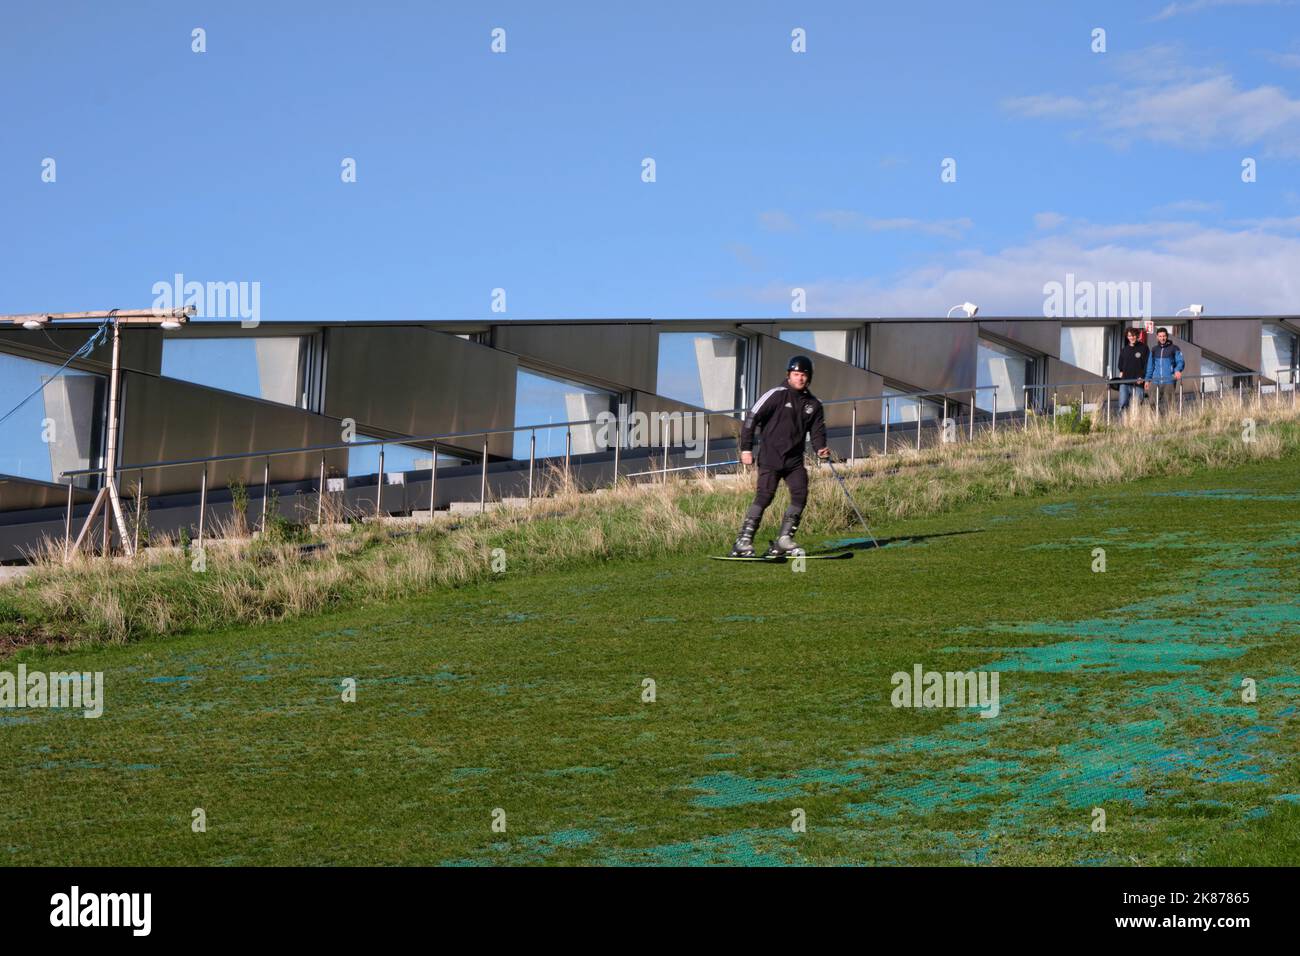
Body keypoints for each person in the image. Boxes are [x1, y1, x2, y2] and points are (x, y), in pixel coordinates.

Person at [731, 355, 829, 557]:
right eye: (796, 374)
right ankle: (743, 542)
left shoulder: (814, 404)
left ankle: (784, 540)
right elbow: (751, 418)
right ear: (788, 375)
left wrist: (821, 448)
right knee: (765, 497)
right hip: (770, 457)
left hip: (794, 461)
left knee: (800, 494)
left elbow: (818, 431)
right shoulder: (776, 395)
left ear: (809, 377)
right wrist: (746, 449)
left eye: (803, 375)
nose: (799, 378)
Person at [1145, 327, 1184, 412]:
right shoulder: (1154, 349)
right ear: (1157, 337)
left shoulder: (1174, 348)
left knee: (1170, 404)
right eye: (1160, 336)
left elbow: (1180, 361)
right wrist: (1147, 380)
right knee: (1151, 402)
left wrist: (1177, 370)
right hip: (1156, 380)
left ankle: (1169, 421)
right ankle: (1159, 418)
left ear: (1167, 336)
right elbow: (1150, 366)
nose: (1162, 338)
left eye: (1164, 336)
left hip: (1169, 380)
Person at [1116, 326, 1149, 412]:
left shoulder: (1144, 348)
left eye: (1134, 335)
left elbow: (1147, 365)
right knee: (1122, 405)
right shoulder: (1124, 350)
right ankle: (1122, 424)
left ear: (1137, 336)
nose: (1132, 337)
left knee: (1137, 406)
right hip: (1124, 382)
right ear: (1127, 337)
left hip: (1138, 382)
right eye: (1130, 336)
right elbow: (1120, 365)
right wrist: (1121, 371)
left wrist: (1142, 377)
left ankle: (1136, 424)